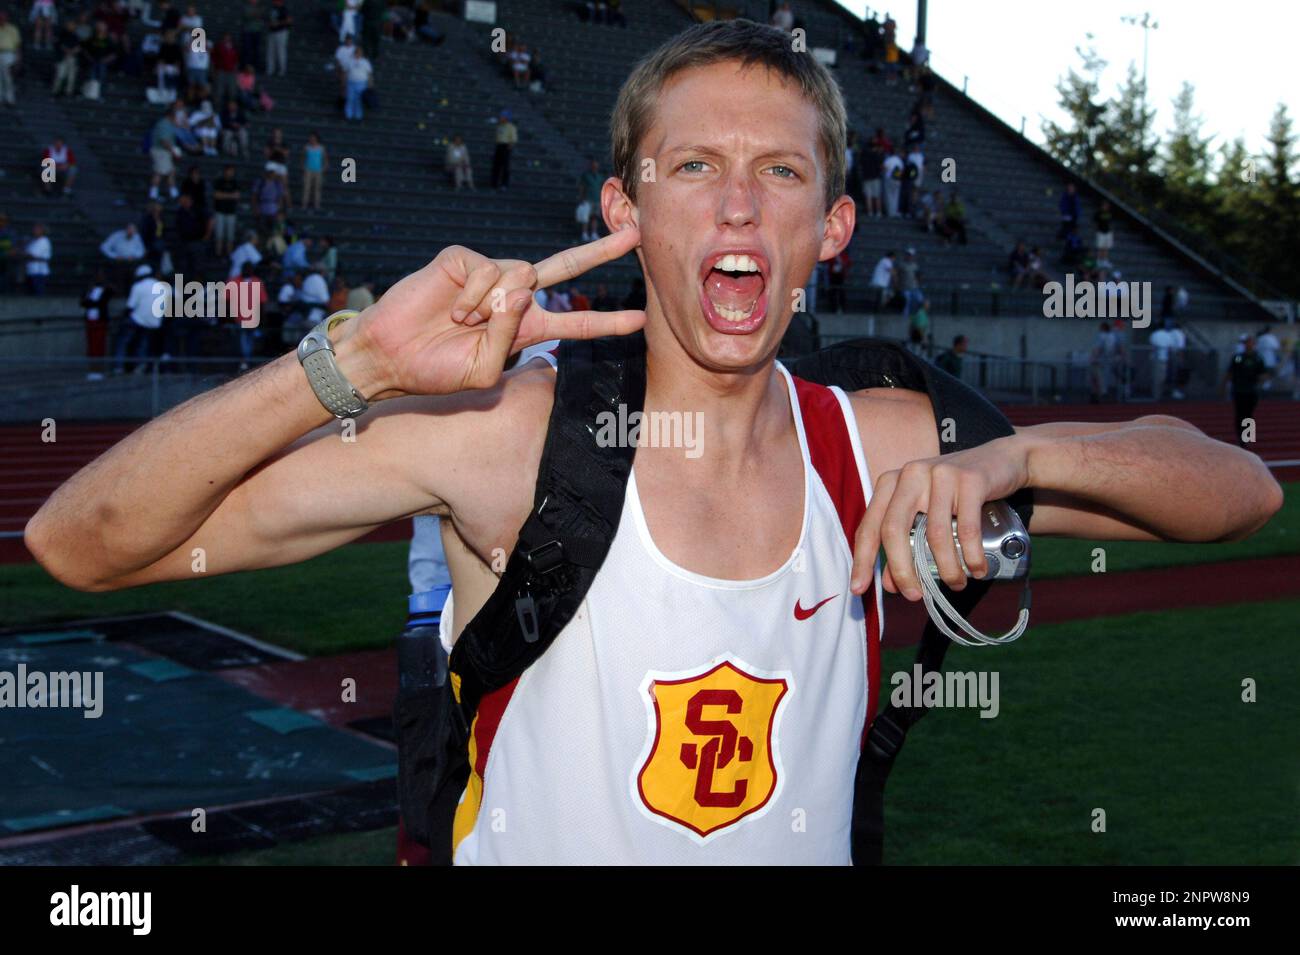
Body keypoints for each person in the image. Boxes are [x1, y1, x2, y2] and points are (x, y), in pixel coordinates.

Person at [25, 20, 1283, 868]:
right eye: (693, 165)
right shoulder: (504, 440)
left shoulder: (881, 441)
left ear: (833, 226)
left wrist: (1017, 459)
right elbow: (80, 545)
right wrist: (350, 366)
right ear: (626, 211)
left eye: (779, 174)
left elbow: (1229, 490)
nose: (737, 202)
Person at [113, 262, 166, 374]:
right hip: (153, 322)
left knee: (123, 341)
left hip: (137, 320)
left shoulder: (138, 286)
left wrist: (122, 316)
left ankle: (118, 366)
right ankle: (140, 365)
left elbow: (130, 307)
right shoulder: (162, 286)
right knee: (143, 343)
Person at [1223, 335, 1267, 446]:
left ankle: (1248, 437)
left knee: (1249, 414)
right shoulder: (1238, 357)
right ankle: (1241, 437)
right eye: (1247, 342)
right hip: (1239, 389)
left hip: (1251, 390)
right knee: (1239, 414)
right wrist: (1224, 385)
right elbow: (1231, 371)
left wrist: (1261, 382)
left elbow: (1263, 373)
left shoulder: (1258, 358)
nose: (1249, 345)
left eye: (1251, 342)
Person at [81, 271, 113, 380]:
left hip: (100, 320)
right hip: (90, 320)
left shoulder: (106, 290)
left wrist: (90, 302)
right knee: (91, 345)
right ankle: (91, 369)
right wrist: (91, 301)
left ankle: (99, 369)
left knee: (99, 345)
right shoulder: (90, 290)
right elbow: (82, 302)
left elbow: (101, 302)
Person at [212, 165, 241, 258]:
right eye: (229, 171)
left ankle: (229, 255)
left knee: (230, 236)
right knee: (219, 235)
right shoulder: (219, 182)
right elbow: (217, 195)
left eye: (232, 171)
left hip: (231, 212)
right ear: (225, 171)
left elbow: (237, 196)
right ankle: (218, 254)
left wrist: (224, 195)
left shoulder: (235, 182)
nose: (230, 173)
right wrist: (230, 195)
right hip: (220, 211)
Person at [577, 157, 604, 241]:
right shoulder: (585, 175)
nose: (595, 165)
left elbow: (601, 188)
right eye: (593, 164)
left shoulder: (600, 176)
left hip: (597, 199)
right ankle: (584, 233)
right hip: (587, 199)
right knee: (586, 217)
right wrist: (581, 198)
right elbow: (582, 187)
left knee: (595, 217)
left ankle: (593, 233)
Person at [491, 110, 517, 190]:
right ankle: (494, 183)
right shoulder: (499, 126)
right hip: (499, 145)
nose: (500, 117)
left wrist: (509, 147)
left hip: (506, 146)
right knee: (496, 165)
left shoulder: (511, 127)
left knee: (505, 166)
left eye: (502, 116)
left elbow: (513, 139)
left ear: (506, 118)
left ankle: (504, 184)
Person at [344, 49, 372, 121]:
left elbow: (369, 74)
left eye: (359, 53)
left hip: (361, 83)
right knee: (350, 98)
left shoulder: (365, 62)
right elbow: (346, 72)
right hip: (351, 82)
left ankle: (358, 116)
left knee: (359, 99)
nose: (358, 54)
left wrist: (370, 83)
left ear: (361, 54)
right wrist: (344, 82)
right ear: (355, 53)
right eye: (357, 53)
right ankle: (348, 115)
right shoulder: (350, 61)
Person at [301, 132, 327, 210]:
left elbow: (325, 159)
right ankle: (304, 204)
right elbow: (303, 158)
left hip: (318, 170)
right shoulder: (306, 147)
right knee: (307, 188)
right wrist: (304, 168)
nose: (312, 139)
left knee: (317, 189)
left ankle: (317, 205)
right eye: (311, 138)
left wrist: (323, 169)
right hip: (308, 170)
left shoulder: (321, 148)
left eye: (313, 138)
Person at [266, 0, 292, 77]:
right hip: (272, 32)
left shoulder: (284, 9)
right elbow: (269, 19)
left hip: (281, 32)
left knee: (281, 51)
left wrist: (278, 23)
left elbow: (289, 20)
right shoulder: (272, 9)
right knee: (270, 52)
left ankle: (282, 70)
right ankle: (270, 70)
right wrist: (270, 24)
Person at [24, 222, 51, 295]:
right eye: (34, 229)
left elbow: (33, 255)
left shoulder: (44, 241)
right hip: (30, 271)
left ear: (43, 230)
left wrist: (19, 252)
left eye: (38, 229)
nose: (35, 230)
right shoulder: (33, 241)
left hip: (39, 272)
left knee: (38, 294)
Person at [0, 12, 20, 107]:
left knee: (8, 78)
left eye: (3, 17)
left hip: (8, 54)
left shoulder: (12, 29)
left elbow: (17, 45)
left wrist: (18, 58)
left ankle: (10, 99)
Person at [897, 247, 923, 317]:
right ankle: (905, 316)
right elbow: (897, 275)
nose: (910, 256)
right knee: (907, 300)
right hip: (904, 287)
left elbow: (917, 275)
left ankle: (917, 314)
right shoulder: (901, 264)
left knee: (920, 299)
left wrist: (918, 282)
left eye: (911, 255)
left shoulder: (915, 265)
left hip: (914, 287)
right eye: (908, 255)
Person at [1256, 325, 1281, 389]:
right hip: (1269, 359)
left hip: (1261, 358)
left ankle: (1264, 384)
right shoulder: (1271, 338)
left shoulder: (1261, 338)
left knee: (1263, 372)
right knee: (1269, 372)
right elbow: (1276, 347)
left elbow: (1257, 348)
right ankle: (1266, 384)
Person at [881, 146, 903, 218]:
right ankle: (894, 211)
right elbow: (902, 170)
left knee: (889, 196)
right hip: (897, 180)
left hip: (889, 179)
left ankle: (890, 212)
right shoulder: (899, 160)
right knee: (896, 196)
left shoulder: (888, 160)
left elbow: (883, 167)